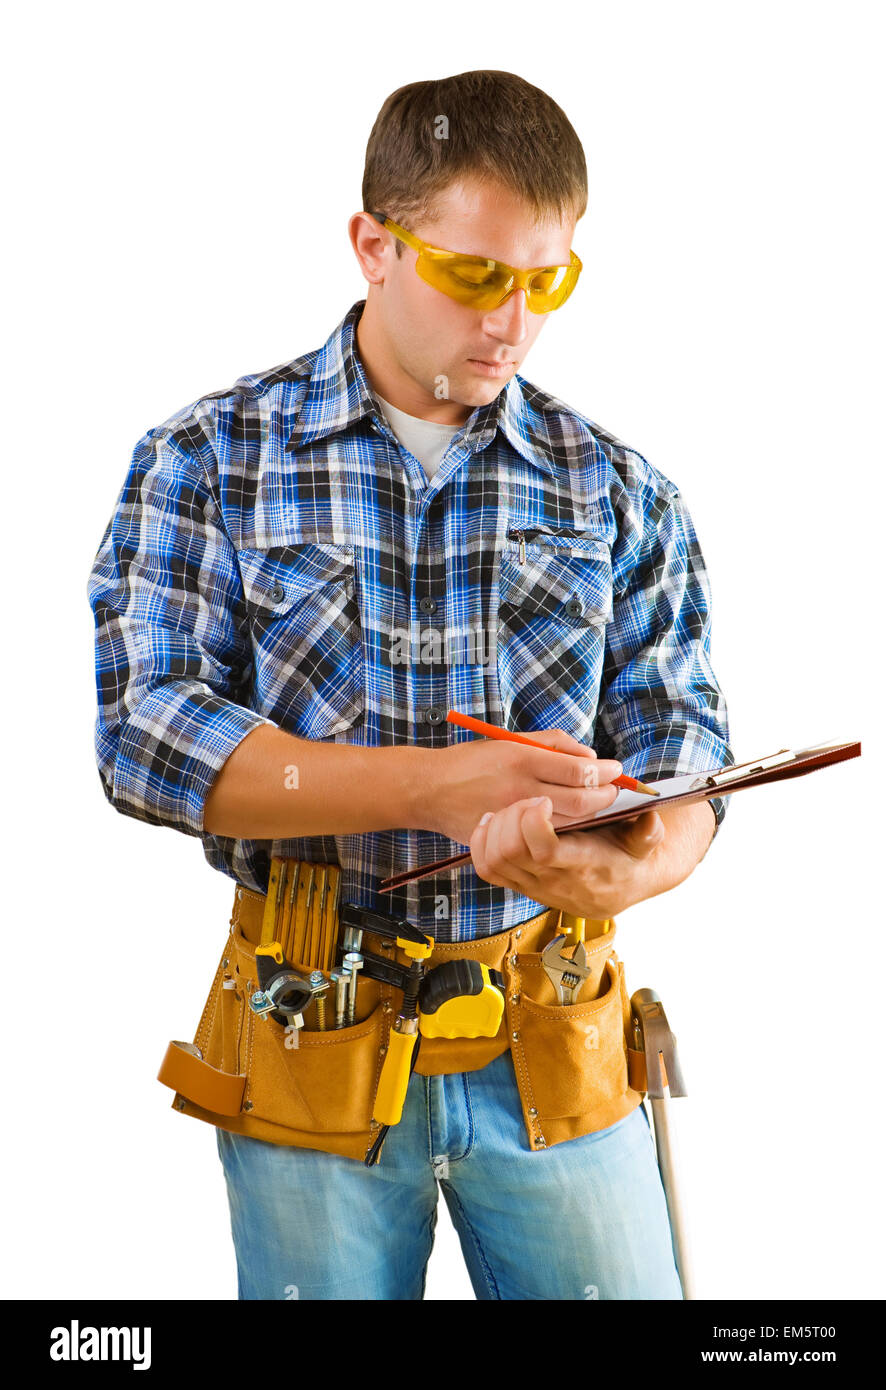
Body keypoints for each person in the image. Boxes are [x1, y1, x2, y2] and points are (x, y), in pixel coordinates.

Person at [87, 69, 733, 1300]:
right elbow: (145, 734)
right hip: (306, 1022)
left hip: (555, 1028)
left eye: (548, 281)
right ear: (372, 244)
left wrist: (630, 860)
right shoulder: (209, 458)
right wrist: (432, 790)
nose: (513, 322)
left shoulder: (617, 490)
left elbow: (688, 753)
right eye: (477, 275)